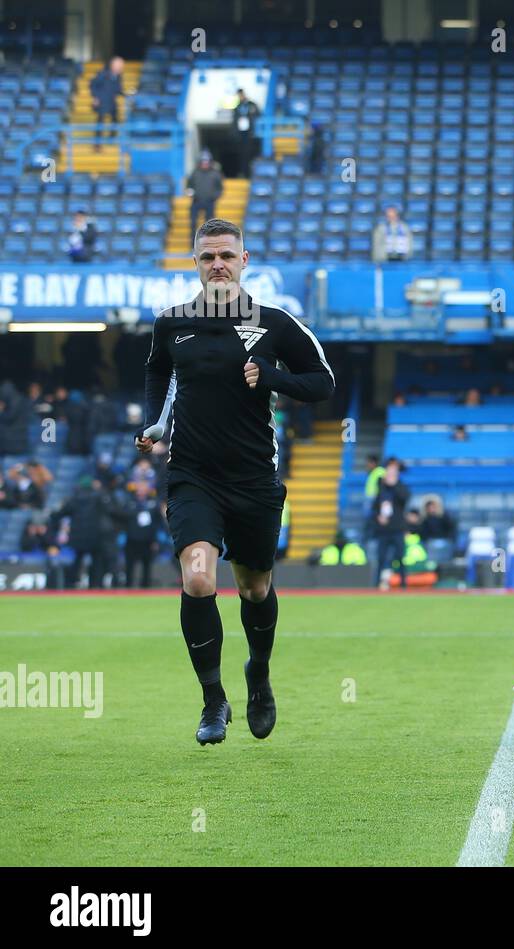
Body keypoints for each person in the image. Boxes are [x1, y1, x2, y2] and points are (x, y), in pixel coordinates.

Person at [136, 218, 336, 746]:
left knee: (254, 588)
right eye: (208, 257)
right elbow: (158, 371)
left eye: (226, 255)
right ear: (196, 264)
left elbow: (323, 383)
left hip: (253, 479)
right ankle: (213, 700)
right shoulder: (171, 323)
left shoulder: (275, 323)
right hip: (193, 475)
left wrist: (273, 378)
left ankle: (259, 674)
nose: (217, 264)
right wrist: (155, 422)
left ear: (244, 260)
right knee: (199, 579)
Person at [370, 460, 410, 590]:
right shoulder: (381, 489)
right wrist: (379, 517)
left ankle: (403, 583)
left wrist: (394, 485)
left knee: (400, 556)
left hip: (397, 528)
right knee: (381, 557)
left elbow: (405, 498)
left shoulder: (401, 487)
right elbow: (374, 507)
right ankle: (377, 583)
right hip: (383, 530)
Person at [122, 482, 162, 588]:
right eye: (140, 488)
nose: (141, 490)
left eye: (144, 488)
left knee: (147, 565)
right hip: (132, 538)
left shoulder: (154, 503)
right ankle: (128, 587)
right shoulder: (129, 502)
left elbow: (158, 523)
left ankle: (145, 587)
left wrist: (155, 540)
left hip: (148, 540)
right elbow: (122, 516)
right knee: (129, 565)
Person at [90, 56, 125, 151]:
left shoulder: (118, 76)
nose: (121, 67)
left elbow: (118, 90)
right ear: (113, 65)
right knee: (100, 123)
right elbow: (93, 85)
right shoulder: (103, 74)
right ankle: (97, 144)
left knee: (115, 120)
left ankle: (111, 139)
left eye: (122, 66)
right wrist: (95, 97)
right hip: (102, 102)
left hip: (112, 102)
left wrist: (126, 94)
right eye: (119, 65)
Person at [186, 151, 224, 239]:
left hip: (209, 202)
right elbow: (189, 186)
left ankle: (207, 241)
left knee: (209, 225)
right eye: (203, 161)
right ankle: (193, 242)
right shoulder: (195, 173)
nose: (205, 164)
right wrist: (191, 193)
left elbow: (220, 188)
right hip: (196, 201)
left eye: (206, 162)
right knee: (193, 223)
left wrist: (214, 197)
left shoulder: (215, 173)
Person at [232, 89, 262, 178]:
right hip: (242, 135)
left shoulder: (251, 105)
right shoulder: (237, 107)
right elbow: (235, 121)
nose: (240, 97)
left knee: (252, 154)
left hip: (251, 134)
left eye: (241, 95)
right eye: (238, 96)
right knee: (243, 155)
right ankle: (244, 173)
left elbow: (257, 115)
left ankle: (253, 173)